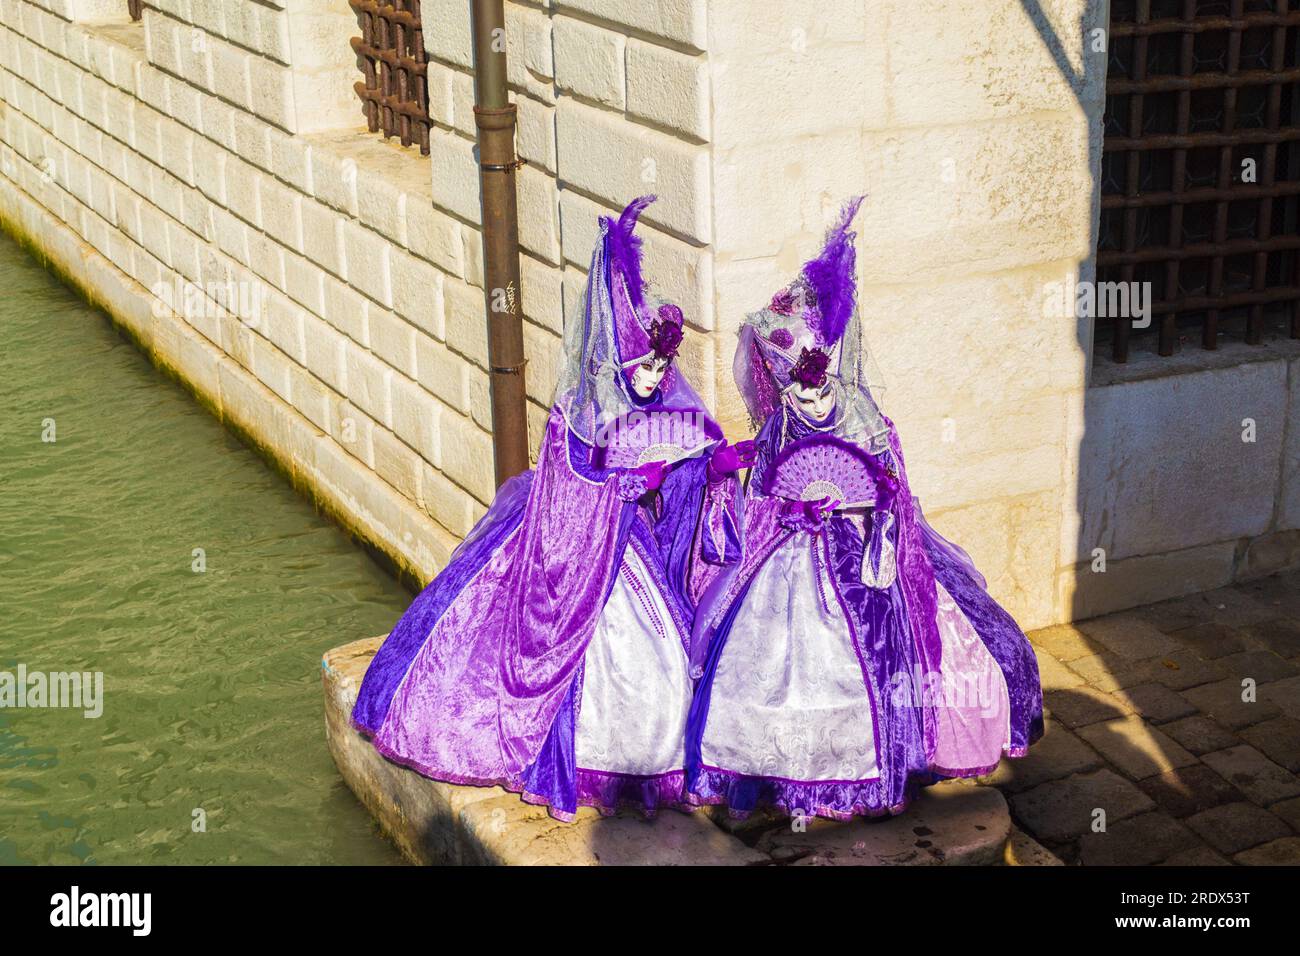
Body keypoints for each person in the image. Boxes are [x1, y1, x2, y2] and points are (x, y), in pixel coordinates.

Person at [351, 196, 754, 821]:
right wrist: (622, 485)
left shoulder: (667, 406)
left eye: (659, 366)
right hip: (580, 560)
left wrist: (713, 466)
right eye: (640, 366)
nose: (650, 380)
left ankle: (657, 760)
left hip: (636, 558)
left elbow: (689, 470)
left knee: (667, 668)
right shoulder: (578, 413)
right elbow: (569, 493)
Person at [684, 196, 1044, 821]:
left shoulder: (865, 418)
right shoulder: (779, 420)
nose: (808, 393)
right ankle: (782, 764)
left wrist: (861, 505)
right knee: (762, 659)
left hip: (865, 555)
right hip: (785, 553)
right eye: (795, 380)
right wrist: (776, 497)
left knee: (889, 649)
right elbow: (766, 477)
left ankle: (877, 765)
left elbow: (891, 492)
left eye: (814, 380)